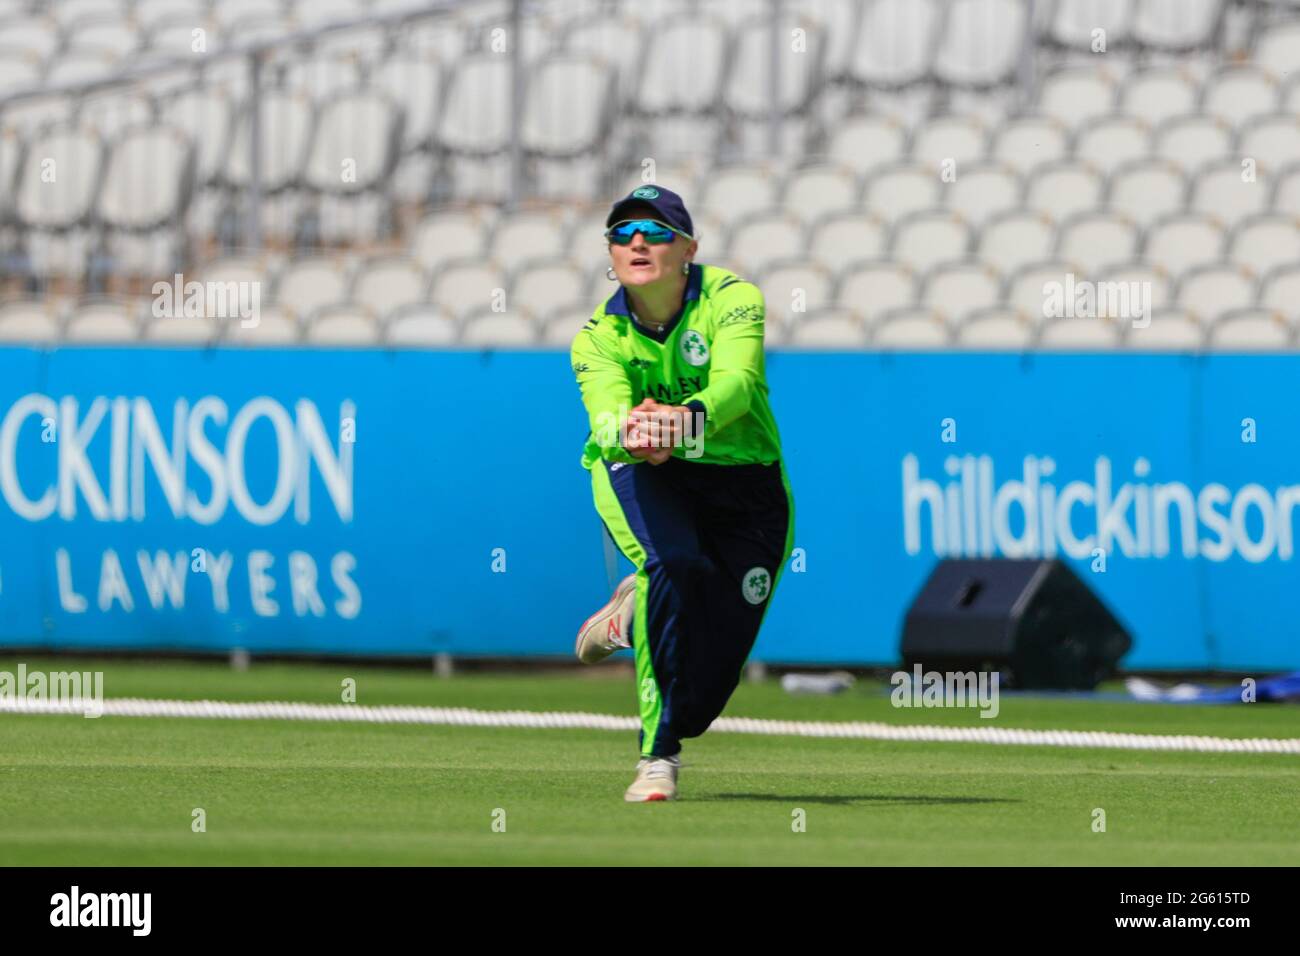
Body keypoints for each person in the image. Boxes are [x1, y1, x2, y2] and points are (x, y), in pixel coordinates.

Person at [569, 184, 795, 802]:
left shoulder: (733, 299)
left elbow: (739, 386)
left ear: (689, 248)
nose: (637, 241)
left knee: (703, 691)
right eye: (622, 233)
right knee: (671, 563)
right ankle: (656, 758)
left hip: (745, 482)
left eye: (657, 231)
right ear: (610, 253)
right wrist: (638, 432)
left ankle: (630, 617)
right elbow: (607, 420)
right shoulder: (596, 337)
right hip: (645, 472)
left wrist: (683, 420)